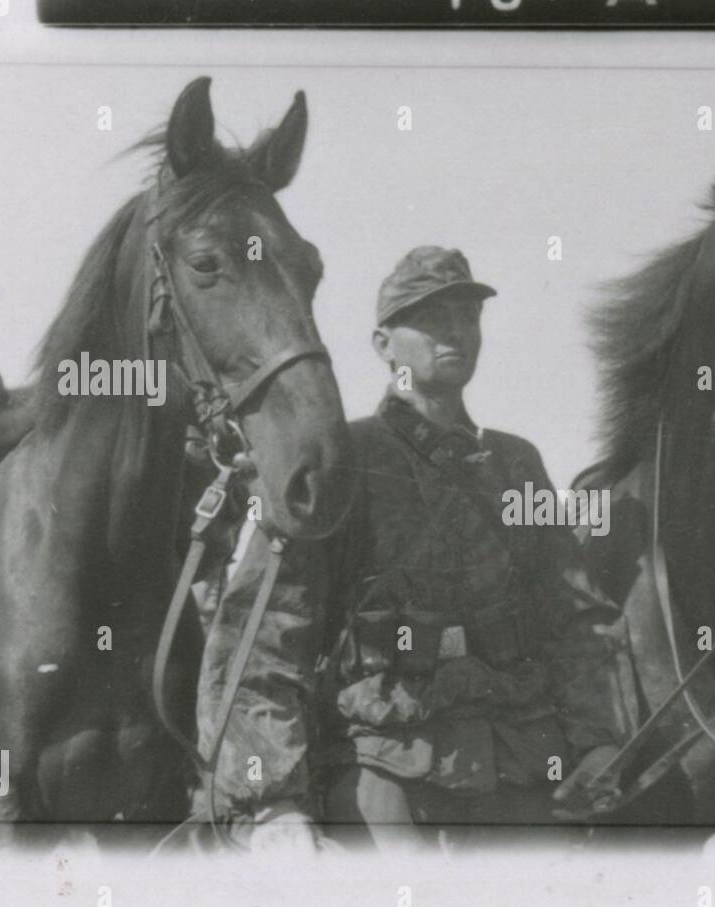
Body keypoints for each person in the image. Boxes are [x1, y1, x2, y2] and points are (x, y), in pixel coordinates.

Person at [195, 247, 625, 849]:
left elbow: (574, 617)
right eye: (429, 317)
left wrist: (599, 740)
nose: (455, 331)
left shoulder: (515, 463)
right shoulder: (341, 460)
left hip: (524, 766)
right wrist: (273, 806)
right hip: (387, 770)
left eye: (467, 316)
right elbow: (263, 636)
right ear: (383, 344)